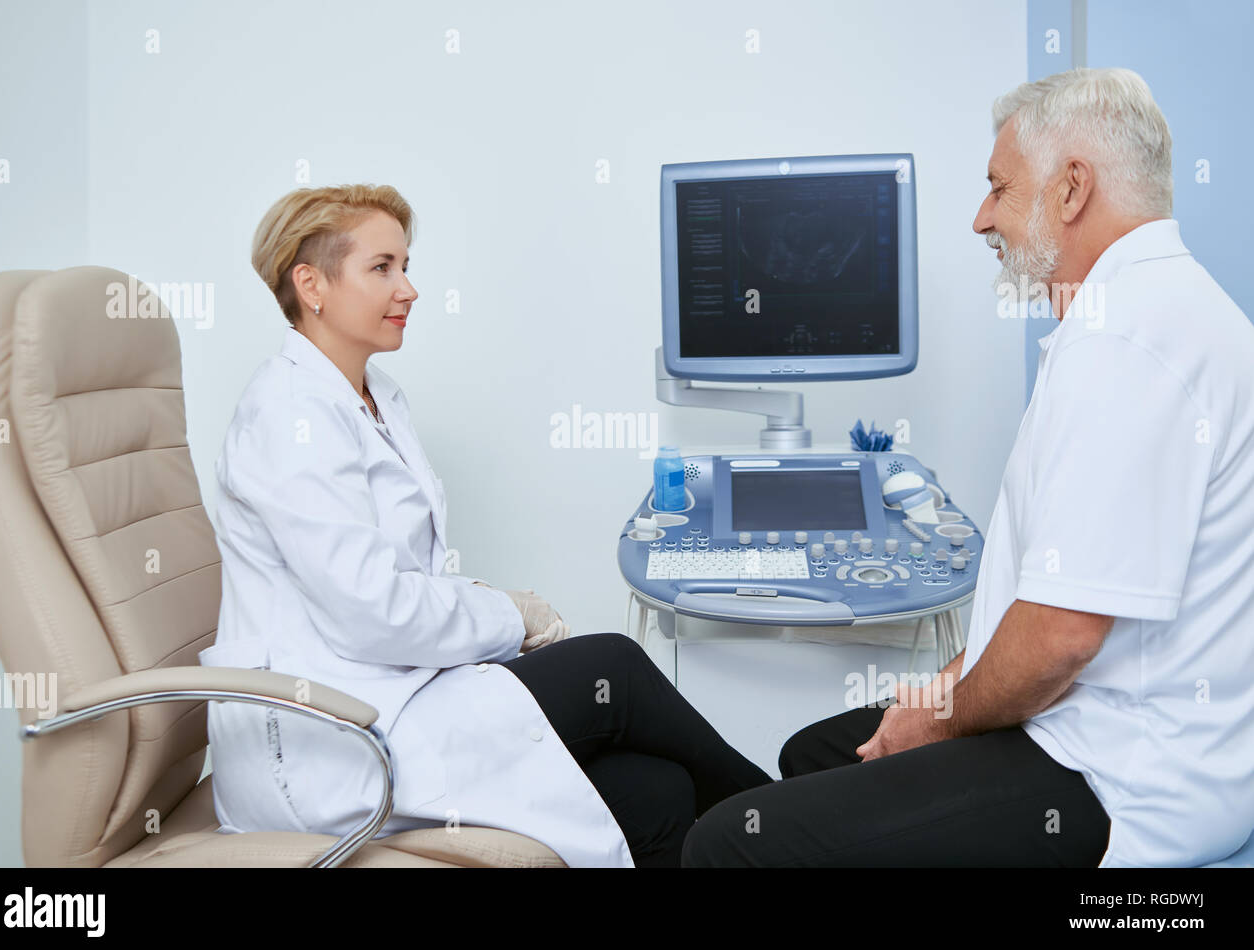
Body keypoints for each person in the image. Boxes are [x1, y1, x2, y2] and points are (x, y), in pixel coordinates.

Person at [682, 67, 1254, 867]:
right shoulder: (1156, 313)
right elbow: (1041, 606)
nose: (982, 217)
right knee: (816, 752)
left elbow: (1059, 637)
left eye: (998, 187)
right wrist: (943, 691)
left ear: (1072, 189)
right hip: (1104, 729)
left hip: (1118, 780)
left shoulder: (1129, 342)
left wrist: (941, 717)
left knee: (725, 845)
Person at [199, 184, 771, 868]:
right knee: (613, 665)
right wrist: (506, 613)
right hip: (323, 738)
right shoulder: (289, 417)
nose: (408, 288)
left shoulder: (374, 395)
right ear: (311, 284)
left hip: (398, 695)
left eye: (406, 265)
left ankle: (784, 827)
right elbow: (372, 609)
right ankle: (801, 822)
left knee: (659, 792)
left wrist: (494, 610)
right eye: (382, 267)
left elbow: (395, 580)